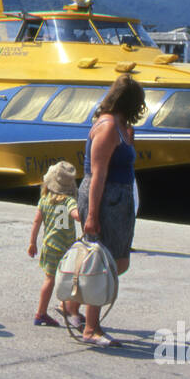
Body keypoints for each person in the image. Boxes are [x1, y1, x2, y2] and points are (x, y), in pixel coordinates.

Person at [76, 74, 146, 347]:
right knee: (105, 263)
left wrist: (129, 137)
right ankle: (91, 327)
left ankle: (73, 305)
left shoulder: (120, 126)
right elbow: (97, 175)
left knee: (116, 262)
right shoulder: (106, 127)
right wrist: (92, 215)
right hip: (106, 198)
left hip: (119, 199)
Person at [27, 161, 84, 328]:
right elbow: (77, 216)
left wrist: (32, 243)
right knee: (73, 278)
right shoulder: (68, 201)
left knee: (49, 280)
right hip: (66, 249)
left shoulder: (44, 200)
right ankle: (63, 308)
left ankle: (42, 312)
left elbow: (37, 221)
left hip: (49, 246)